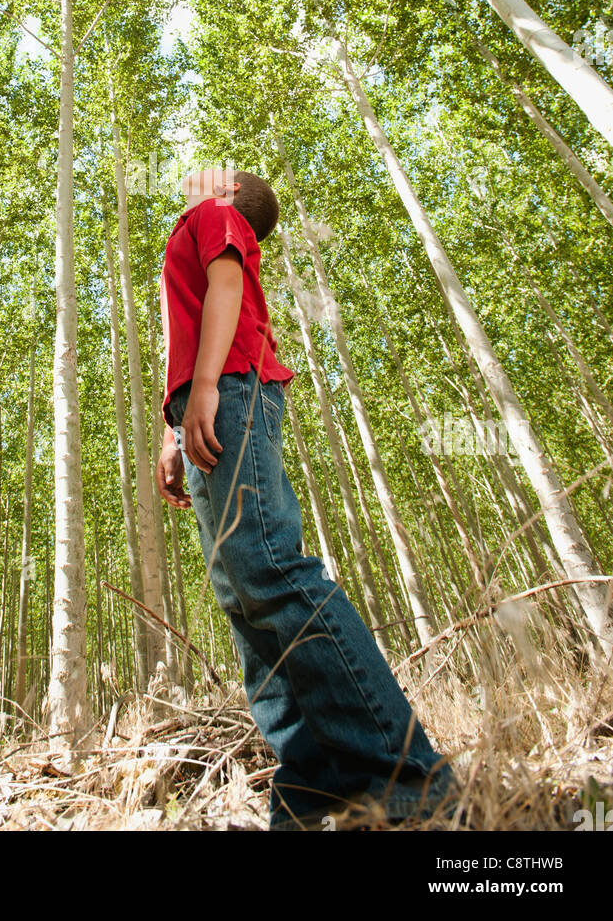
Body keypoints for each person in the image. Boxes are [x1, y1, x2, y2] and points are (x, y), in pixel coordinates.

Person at [156, 164, 460, 831]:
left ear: (230, 193)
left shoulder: (214, 215)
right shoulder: (200, 219)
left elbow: (227, 287)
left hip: (231, 390)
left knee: (269, 568)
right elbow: (189, 328)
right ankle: (318, 788)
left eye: (214, 172)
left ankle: (406, 778)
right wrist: (174, 428)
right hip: (207, 400)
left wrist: (206, 386)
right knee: (240, 594)